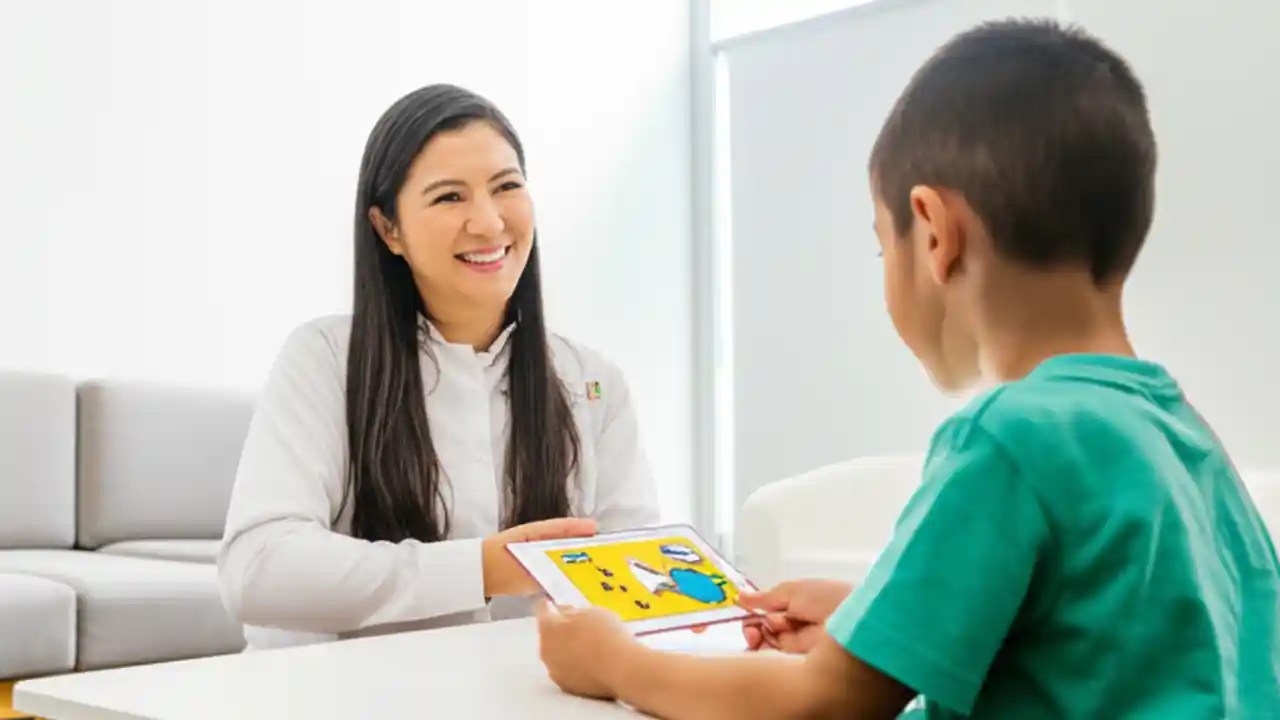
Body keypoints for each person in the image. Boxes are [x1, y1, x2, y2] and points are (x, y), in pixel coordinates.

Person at [536, 18, 1280, 719]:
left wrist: (615, 663)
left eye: (880, 245)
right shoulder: (1184, 436)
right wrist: (878, 617)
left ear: (934, 233)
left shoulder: (1008, 437)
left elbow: (825, 704)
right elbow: (1105, 651)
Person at [218, 84, 660, 650]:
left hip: (521, 686)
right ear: (388, 229)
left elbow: (634, 569)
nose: (489, 223)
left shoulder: (593, 380)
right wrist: (482, 569)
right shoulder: (325, 357)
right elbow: (258, 570)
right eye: (450, 197)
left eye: (507, 187)